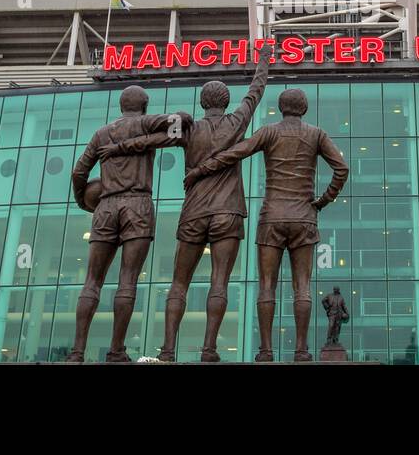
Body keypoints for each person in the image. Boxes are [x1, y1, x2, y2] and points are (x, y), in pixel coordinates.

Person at [184, 87, 348, 362]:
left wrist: (200, 170)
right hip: (303, 217)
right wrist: (322, 200)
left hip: (272, 216)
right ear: (304, 108)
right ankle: (301, 350)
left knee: (267, 285)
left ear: (281, 108)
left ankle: (265, 351)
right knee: (303, 286)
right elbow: (341, 168)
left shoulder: (268, 131)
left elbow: (234, 154)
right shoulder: (316, 134)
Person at [158, 40, 272, 362]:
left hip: (193, 212)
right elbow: (255, 91)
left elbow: (153, 137)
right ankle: (209, 348)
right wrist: (264, 59)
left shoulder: (188, 129)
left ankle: (167, 350)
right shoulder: (236, 124)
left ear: (202, 102)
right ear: (225, 102)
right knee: (219, 280)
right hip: (227, 212)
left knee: (179, 283)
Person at [66, 86, 192, 363]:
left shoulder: (101, 133)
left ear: (121, 106)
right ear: (144, 106)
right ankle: (116, 350)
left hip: (106, 206)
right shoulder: (146, 122)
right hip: (138, 205)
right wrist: (150, 138)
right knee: (128, 280)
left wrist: (83, 201)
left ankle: (77, 353)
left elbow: (79, 171)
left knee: (92, 282)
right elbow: (183, 120)